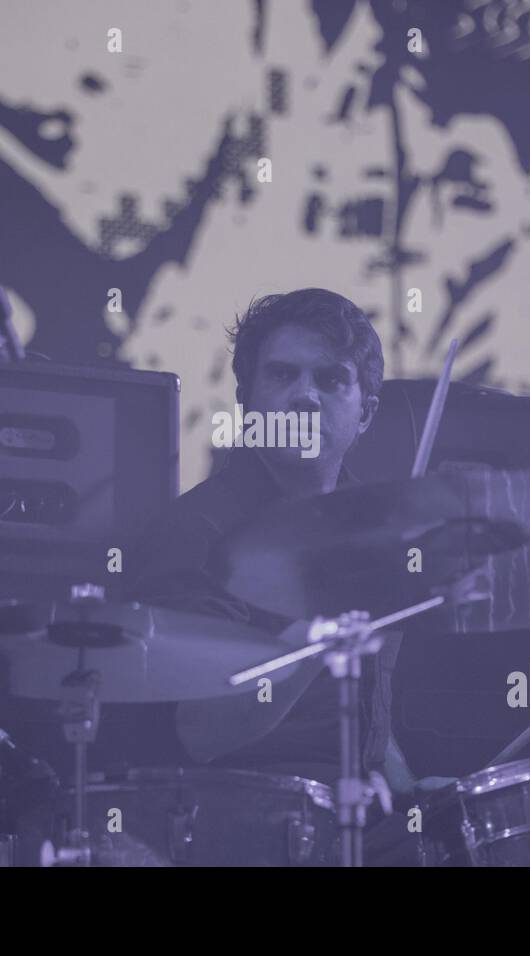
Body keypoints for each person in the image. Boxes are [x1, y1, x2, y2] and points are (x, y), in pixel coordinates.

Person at [128, 287, 420, 794]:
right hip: (244, 825)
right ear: (246, 401)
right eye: (284, 374)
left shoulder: (373, 530)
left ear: (366, 414)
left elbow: (357, 722)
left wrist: (412, 792)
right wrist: (324, 624)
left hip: (360, 824)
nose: (305, 396)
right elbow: (202, 731)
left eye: (330, 379)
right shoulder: (195, 534)